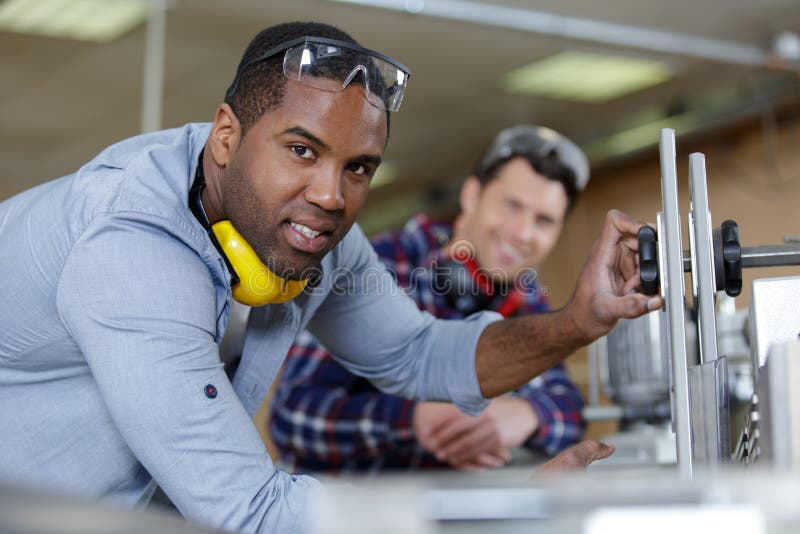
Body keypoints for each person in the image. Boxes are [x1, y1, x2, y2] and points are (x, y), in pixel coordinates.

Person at [0, 20, 660, 534]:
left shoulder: (310, 238)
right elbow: (254, 511)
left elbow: (418, 352)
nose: (331, 194)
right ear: (225, 138)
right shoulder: (132, 252)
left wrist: (581, 321)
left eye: (359, 168)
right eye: (301, 150)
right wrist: (504, 512)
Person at [270, 124, 589, 473]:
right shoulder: (377, 265)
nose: (523, 232)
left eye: (544, 221)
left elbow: (569, 405)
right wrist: (412, 420)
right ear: (471, 195)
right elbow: (292, 418)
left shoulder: (524, 300)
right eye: (512, 205)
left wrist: (530, 415)